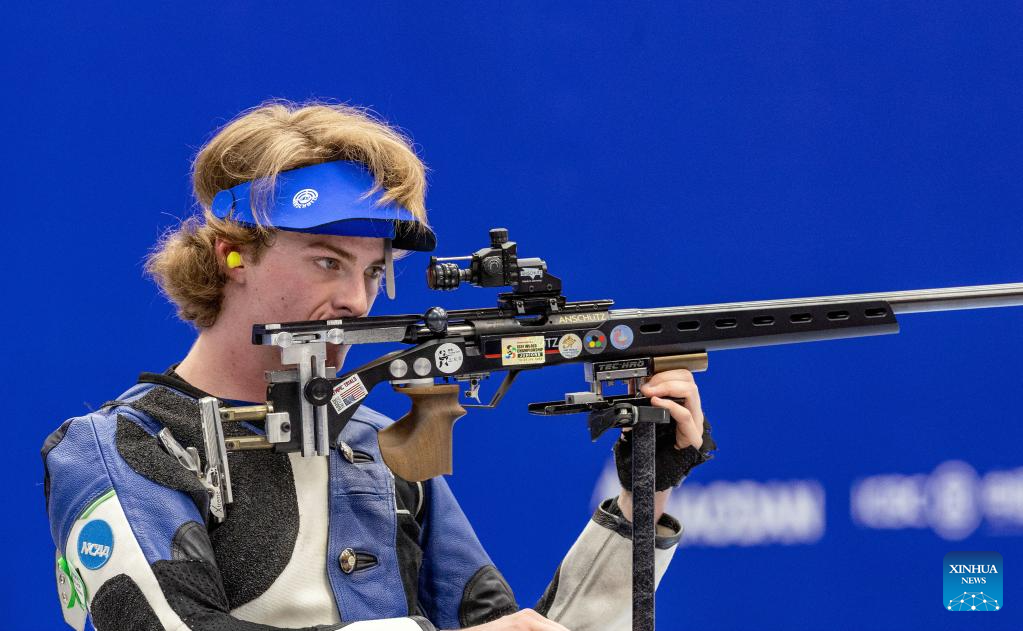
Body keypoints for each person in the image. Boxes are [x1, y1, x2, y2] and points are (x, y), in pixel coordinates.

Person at [42, 101, 715, 631]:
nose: (354, 299)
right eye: (327, 260)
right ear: (230, 253)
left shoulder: (369, 442)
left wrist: (640, 501)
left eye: (373, 271)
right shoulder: (119, 446)